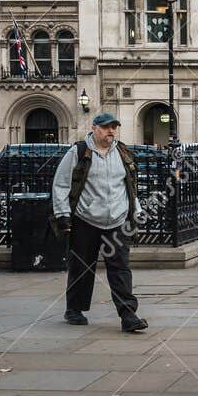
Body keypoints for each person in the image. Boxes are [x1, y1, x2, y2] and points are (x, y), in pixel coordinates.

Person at [51, 114, 146, 332]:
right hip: (86, 219)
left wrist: (137, 211)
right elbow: (61, 184)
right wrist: (62, 214)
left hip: (117, 220)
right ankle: (74, 309)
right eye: (105, 127)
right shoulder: (78, 151)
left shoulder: (122, 152)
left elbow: (129, 186)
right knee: (81, 267)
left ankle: (128, 315)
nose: (110, 131)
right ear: (94, 128)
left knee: (120, 268)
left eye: (113, 127)